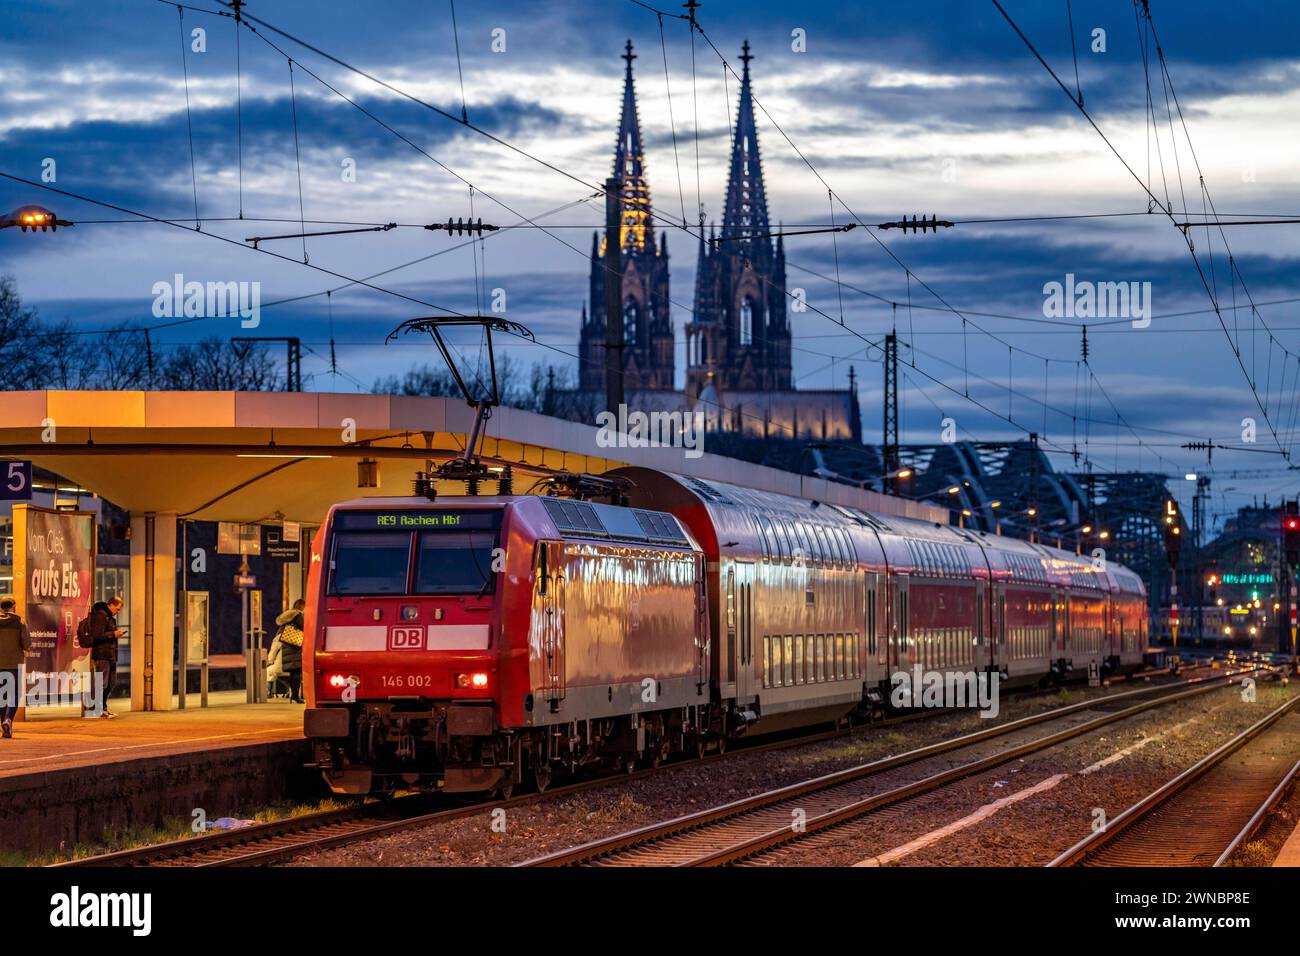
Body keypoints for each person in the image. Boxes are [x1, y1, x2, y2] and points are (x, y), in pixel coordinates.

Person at [87, 595, 125, 718]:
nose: (118, 612)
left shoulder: (109, 617)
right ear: (111, 605)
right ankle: (96, 709)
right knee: (101, 683)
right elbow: (96, 636)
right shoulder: (101, 615)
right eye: (117, 609)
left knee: (111, 683)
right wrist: (113, 634)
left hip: (110, 654)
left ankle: (103, 708)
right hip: (102, 654)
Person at [0, 596, 31, 738]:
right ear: (13, 607)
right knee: (14, 694)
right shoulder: (19, 622)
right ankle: (8, 720)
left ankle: (4, 726)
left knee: (2, 695)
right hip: (14, 664)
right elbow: (26, 644)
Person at [274, 599, 305, 703]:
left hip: (288, 646)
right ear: (302, 606)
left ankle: (294, 696)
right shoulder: (298, 615)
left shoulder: (288, 618)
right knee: (297, 672)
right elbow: (305, 627)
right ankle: (296, 696)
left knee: (293, 673)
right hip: (296, 647)